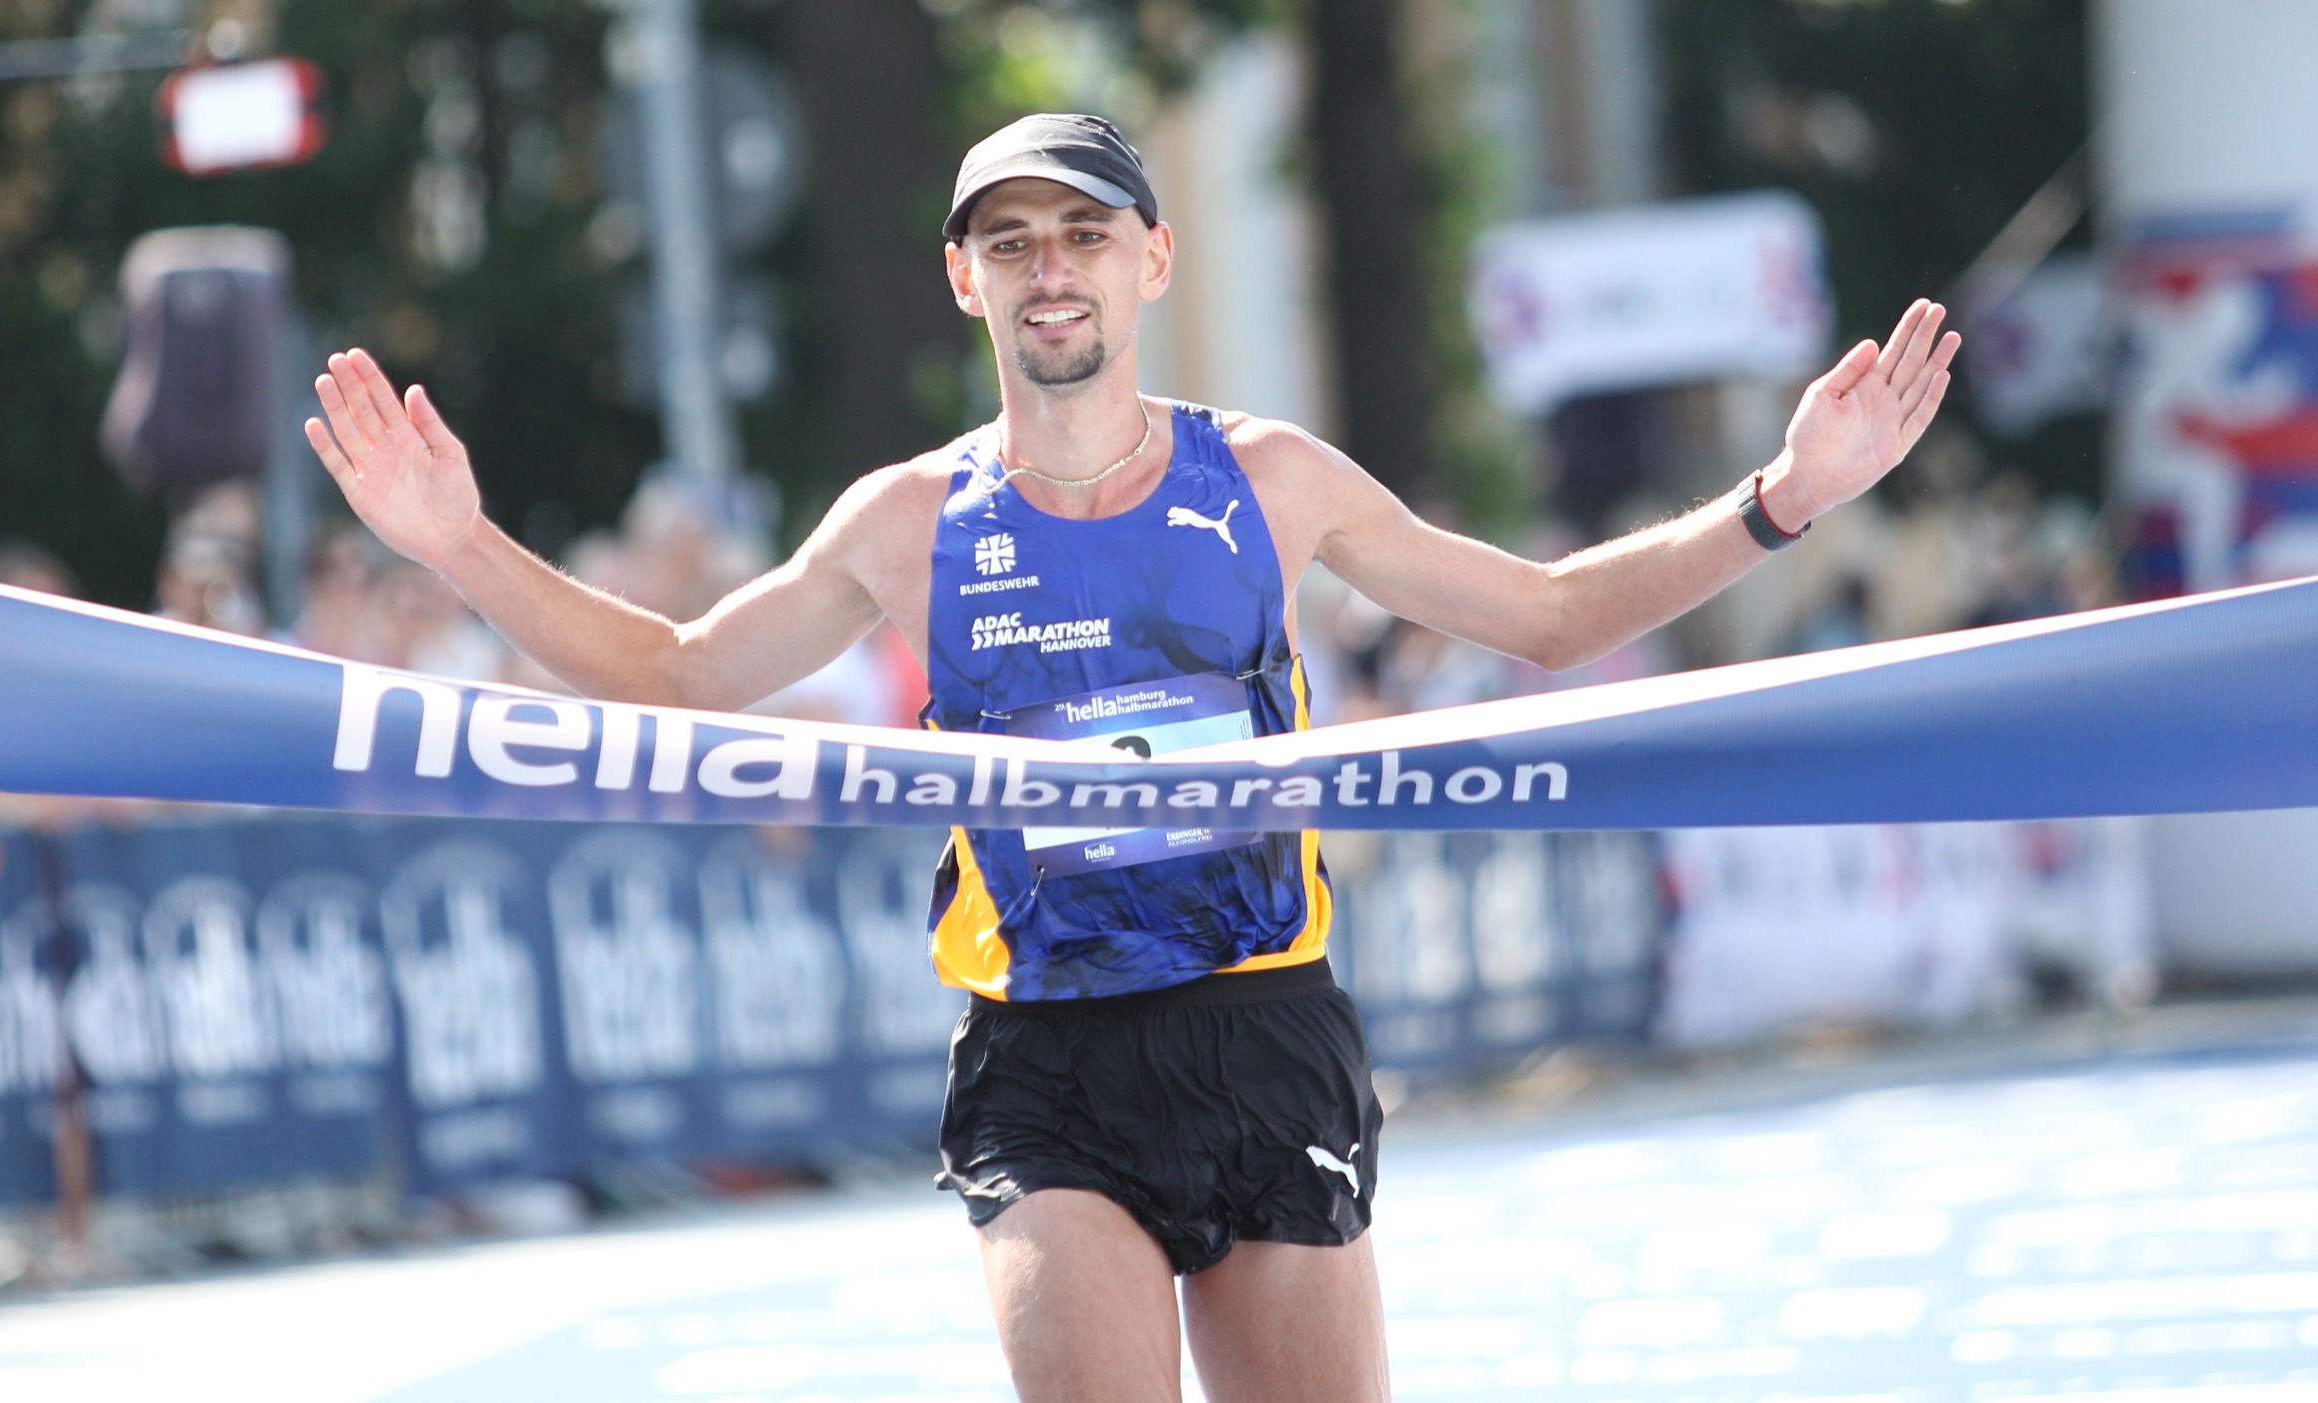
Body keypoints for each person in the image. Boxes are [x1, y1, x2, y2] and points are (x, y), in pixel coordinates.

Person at [305, 112, 1957, 1403]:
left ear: (1151, 262)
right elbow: (676, 676)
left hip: (1263, 1027)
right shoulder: (907, 522)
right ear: (969, 283)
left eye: (1083, 234)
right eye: (1011, 243)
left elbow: (1542, 615)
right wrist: (458, 546)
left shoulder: (1272, 479)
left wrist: (1781, 500)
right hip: (1045, 1062)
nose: (1049, 270)